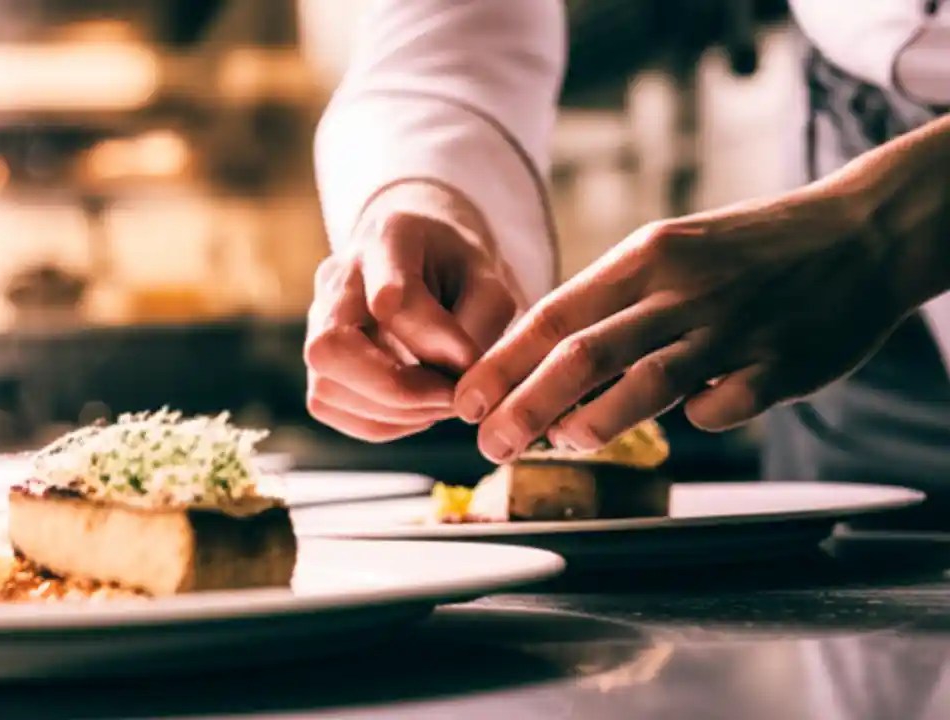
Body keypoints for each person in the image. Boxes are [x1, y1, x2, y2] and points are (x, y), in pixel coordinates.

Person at [306, 0, 950, 524]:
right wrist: (427, 188)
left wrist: (882, 224)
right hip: (852, 126)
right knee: (863, 596)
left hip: (882, 205)